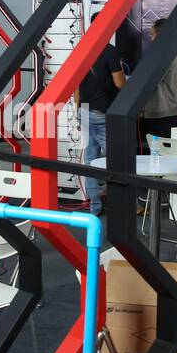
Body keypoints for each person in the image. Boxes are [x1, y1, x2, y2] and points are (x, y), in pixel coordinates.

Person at [74, 13, 126, 216]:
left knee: (90, 160)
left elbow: (76, 83)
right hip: (103, 114)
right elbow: (120, 83)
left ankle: (95, 206)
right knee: (116, 161)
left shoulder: (81, 49)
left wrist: (78, 109)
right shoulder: (110, 52)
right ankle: (121, 206)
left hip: (85, 111)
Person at [139, 16, 177, 149]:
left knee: (156, 154)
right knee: (166, 152)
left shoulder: (162, 52)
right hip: (171, 109)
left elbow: (150, 81)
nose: (151, 38)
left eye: (152, 34)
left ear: (159, 34)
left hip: (159, 111)